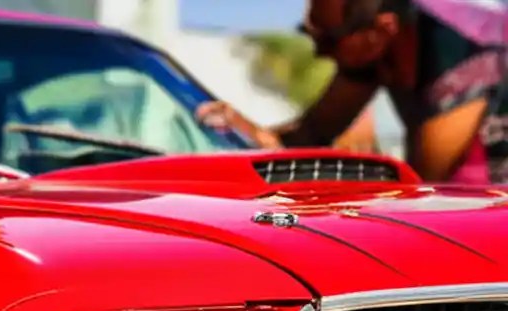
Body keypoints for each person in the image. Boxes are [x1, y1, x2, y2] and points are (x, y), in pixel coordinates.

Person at [196, 0, 508, 184]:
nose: (319, 53)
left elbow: (421, 187)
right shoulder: (375, 53)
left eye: (329, 39)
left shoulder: (462, 57)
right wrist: (246, 129)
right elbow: (310, 135)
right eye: (310, 34)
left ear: (382, 30)